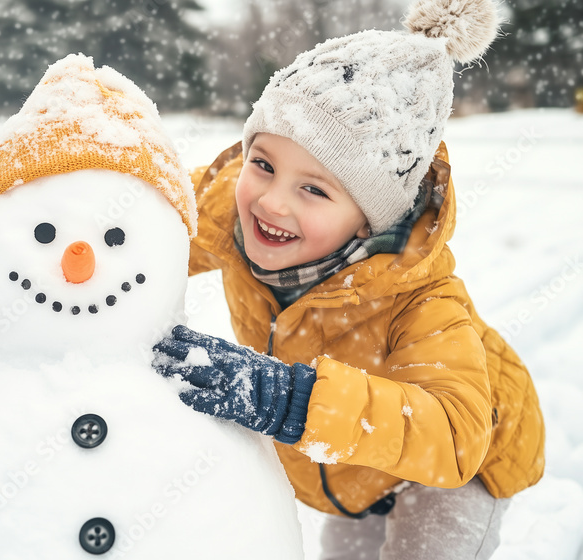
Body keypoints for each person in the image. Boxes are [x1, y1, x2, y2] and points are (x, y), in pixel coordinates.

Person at [152, 0, 544, 558]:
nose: (271, 201)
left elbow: (456, 434)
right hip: (357, 461)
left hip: (463, 463)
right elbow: (128, 232)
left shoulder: (420, 299)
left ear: (370, 217)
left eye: (314, 189)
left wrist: (289, 401)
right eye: (262, 163)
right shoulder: (228, 210)